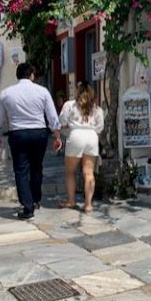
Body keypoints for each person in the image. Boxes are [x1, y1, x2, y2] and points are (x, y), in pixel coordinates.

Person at [0, 63, 62, 220]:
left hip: (18, 134)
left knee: (21, 170)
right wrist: (57, 136)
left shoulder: (6, 93)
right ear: (32, 75)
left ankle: (28, 207)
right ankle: (35, 199)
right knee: (37, 167)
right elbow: (52, 116)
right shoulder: (42, 91)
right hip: (39, 133)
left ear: (17, 76)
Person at [58, 81, 104, 213]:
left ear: (78, 92)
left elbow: (62, 121)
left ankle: (71, 201)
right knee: (89, 172)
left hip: (76, 135)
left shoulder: (70, 105)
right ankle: (88, 204)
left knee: (70, 171)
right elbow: (100, 128)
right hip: (92, 137)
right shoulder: (97, 109)